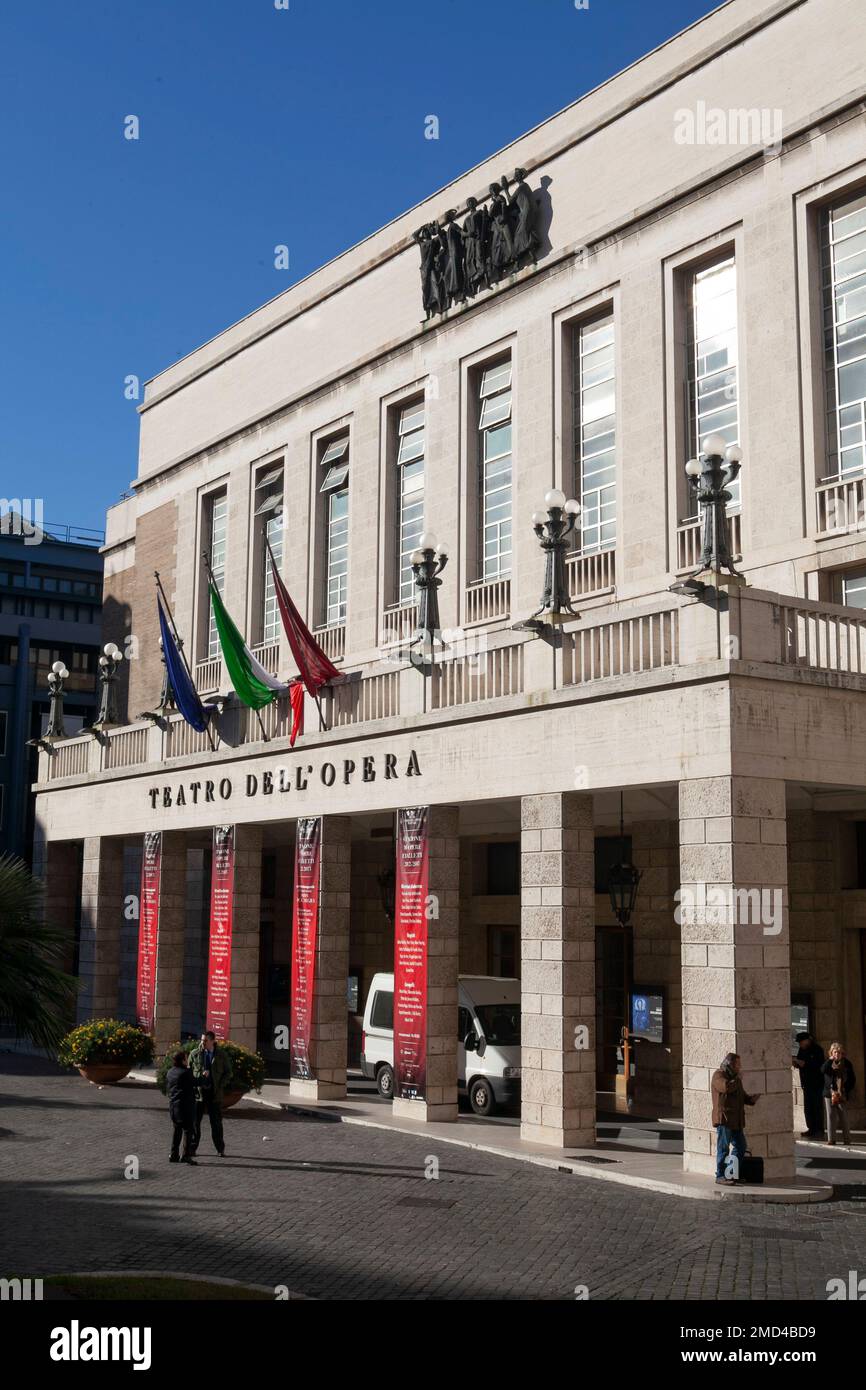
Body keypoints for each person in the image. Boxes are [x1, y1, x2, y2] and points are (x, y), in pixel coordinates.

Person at [711, 1052, 759, 1184]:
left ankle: (731, 1173)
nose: (739, 1067)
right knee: (723, 1148)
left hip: (736, 1120)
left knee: (741, 1146)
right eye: (737, 1064)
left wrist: (751, 1099)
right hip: (725, 1120)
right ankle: (720, 1175)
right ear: (729, 1064)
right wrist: (737, 1079)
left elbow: (742, 1096)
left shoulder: (735, 1079)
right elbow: (726, 1087)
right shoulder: (718, 1075)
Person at [189, 1030, 232, 1157]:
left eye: (205, 1040)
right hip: (199, 1094)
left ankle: (220, 1149)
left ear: (213, 1041)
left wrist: (220, 1086)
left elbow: (228, 1072)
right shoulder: (195, 1054)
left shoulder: (221, 1055)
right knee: (195, 1122)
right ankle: (192, 1148)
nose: (202, 1043)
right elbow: (189, 1071)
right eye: (201, 1040)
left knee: (216, 1123)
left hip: (214, 1093)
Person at [166, 1049, 197, 1165]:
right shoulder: (185, 1073)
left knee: (177, 1130)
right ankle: (186, 1155)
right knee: (188, 1130)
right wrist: (205, 1076)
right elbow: (195, 1082)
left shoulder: (170, 1072)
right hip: (185, 1107)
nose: (187, 1060)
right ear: (182, 1060)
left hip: (174, 1107)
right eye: (186, 1058)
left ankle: (174, 1154)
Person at [822, 1041, 855, 1146]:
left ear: (842, 1053)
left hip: (842, 1093)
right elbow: (823, 1070)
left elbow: (852, 1079)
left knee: (843, 1116)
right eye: (835, 1052)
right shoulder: (828, 1063)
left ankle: (847, 1139)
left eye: (839, 1052)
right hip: (829, 1092)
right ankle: (831, 1140)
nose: (837, 1054)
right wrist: (829, 1061)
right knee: (831, 1116)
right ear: (831, 1053)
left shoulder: (847, 1063)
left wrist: (846, 1089)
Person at [792, 1031, 825, 1138]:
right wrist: (796, 1063)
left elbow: (819, 1065)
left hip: (816, 1082)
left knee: (817, 1106)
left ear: (807, 1040)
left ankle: (819, 1129)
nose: (800, 1045)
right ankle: (811, 1128)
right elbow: (800, 1061)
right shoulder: (802, 1049)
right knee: (808, 1107)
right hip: (806, 1083)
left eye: (801, 1042)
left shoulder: (817, 1049)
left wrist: (805, 1063)